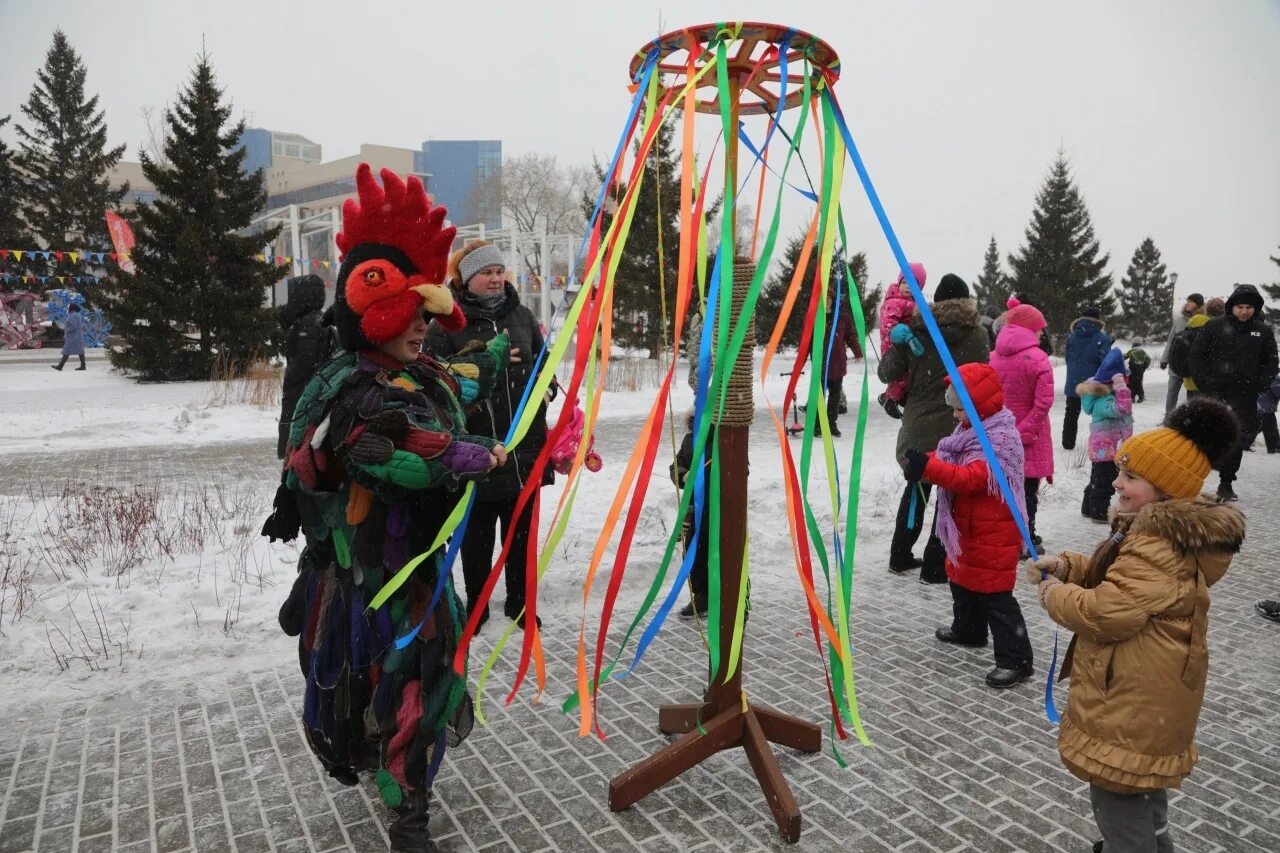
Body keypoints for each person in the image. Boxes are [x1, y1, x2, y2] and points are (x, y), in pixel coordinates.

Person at [262, 164, 510, 852]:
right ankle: (402, 797)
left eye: (427, 317)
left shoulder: (417, 369)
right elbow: (405, 456)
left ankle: (406, 796)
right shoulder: (357, 391)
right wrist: (478, 455)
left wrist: (501, 353)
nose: (423, 328)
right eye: (413, 316)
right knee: (393, 684)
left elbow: (461, 376)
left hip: (416, 573)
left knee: (419, 683)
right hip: (375, 578)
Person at [1025, 397, 1244, 853]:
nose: (1117, 481)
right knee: (1140, 786)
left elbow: (1108, 612)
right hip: (1149, 695)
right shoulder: (1155, 533)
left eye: (1130, 476)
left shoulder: (1158, 545)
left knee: (1116, 795)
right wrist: (1067, 567)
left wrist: (1055, 595)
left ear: (1165, 489)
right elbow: (1120, 581)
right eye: (1120, 471)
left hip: (1133, 698)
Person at [426, 240, 555, 629]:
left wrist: (547, 387)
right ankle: (477, 605)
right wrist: (484, 365)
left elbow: (544, 362)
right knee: (476, 540)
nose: (496, 279)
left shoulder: (522, 316)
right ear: (467, 278)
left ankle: (520, 603)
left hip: (523, 451)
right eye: (487, 273)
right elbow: (433, 380)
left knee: (521, 538)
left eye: (500, 271)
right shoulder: (446, 325)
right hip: (477, 451)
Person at [899, 363, 1034, 688]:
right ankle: (969, 630)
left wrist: (930, 468)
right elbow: (950, 458)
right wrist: (923, 461)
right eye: (955, 408)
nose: (956, 415)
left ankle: (1016, 659)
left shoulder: (1000, 438)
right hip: (968, 527)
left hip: (995, 530)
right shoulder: (969, 432)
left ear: (979, 406)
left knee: (995, 595)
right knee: (962, 583)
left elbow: (972, 478)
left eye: (961, 409)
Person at [879, 273, 989, 581]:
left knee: (917, 487)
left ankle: (900, 555)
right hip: (957, 430)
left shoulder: (917, 330)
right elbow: (984, 378)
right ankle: (935, 565)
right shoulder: (978, 336)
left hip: (917, 428)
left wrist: (896, 342)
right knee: (949, 496)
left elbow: (886, 372)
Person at [1188, 284, 1279, 502]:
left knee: (1236, 438)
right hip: (1214, 393)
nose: (1244, 311)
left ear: (1255, 309)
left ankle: (1226, 482)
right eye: (1240, 307)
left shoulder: (1263, 331)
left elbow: (1271, 361)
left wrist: (1261, 383)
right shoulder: (1214, 327)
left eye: (1249, 307)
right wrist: (1204, 382)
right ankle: (1191, 479)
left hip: (1245, 395)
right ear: (1232, 307)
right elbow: (1196, 356)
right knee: (1205, 436)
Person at [989, 300, 1053, 553]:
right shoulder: (1038, 358)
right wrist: (1024, 430)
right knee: (1027, 491)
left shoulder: (993, 357)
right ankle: (1026, 538)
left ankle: (1003, 537)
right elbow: (1043, 401)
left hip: (999, 435)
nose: (1042, 333)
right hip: (1031, 437)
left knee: (1003, 490)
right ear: (1029, 328)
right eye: (1039, 328)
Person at [276, 275, 333, 459]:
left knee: (296, 433)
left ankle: (293, 461)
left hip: (302, 390)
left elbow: (305, 360)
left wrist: (290, 378)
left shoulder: (308, 324)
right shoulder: (316, 319)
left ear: (302, 296)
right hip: (309, 388)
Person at [1078, 348, 1133, 522]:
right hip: (1106, 449)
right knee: (1105, 482)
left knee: (1097, 479)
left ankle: (1088, 507)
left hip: (1106, 448)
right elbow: (1123, 409)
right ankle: (1099, 512)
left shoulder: (1106, 398)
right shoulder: (1105, 401)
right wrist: (1122, 389)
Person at [876, 262, 926, 419]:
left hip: (907, 344)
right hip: (894, 345)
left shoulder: (914, 303)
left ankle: (894, 396)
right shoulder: (895, 301)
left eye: (913, 284)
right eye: (905, 282)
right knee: (901, 375)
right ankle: (890, 398)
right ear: (899, 283)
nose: (908, 287)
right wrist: (898, 333)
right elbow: (887, 323)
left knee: (907, 374)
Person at [1062, 305, 1112, 450]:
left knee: (1071, 411)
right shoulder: (1102, 338)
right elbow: (1106, 361)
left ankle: (1068, 442)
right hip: (1094, 382)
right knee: (1099, 413)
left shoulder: (1072, 337)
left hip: (1073, 382)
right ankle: (1100, 443)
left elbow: (1068, 358)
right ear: (1098, 320)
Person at [817, 284, 863, 437]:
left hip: (837, 362)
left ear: (833, 299)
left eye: (829, 298)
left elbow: (850, 335)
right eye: (824, 298)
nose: (827, 301)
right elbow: (807, 339)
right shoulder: (816, 316)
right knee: (819, 395)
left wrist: (857, 352)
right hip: (820, 362)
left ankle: (831, 423)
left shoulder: (842, 316)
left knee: (835, 395)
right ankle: (817, 425)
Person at [1159, 293, 1204, 415]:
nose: (1188, 303)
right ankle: (1169, 417)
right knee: (1172, 393)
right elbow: (1171, 341)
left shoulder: (1204, 321)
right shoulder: (1179, 320)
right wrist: (1164, 359)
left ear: (1199, 305)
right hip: (1177, 362)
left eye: (1192, 301)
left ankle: (1191, 418)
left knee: (1193, 396)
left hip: (1193, 365)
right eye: (1188, 300)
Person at [1243, 371, 1280, 453]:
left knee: (1256, 427)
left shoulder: (1263, 375)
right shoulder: (1273, 377)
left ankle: (1244, 444)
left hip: (1260, 406)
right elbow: (1277, 390)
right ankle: (1274, 448)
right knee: (1269, 428)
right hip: (1266, 408)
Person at [51, 302, 86, 371]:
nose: (67, 309)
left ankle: (60, 366)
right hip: (78, 336)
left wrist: (67, 330)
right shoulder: (78, 314)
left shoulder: (72, 315)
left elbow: (74, 326)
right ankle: (83, 366)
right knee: (80, 351)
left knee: (66, 351)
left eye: (68, 307)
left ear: (71, 308)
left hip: (73, 337)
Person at [1125, 339, 1150, 403]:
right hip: (1140, 369)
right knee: (1139, 383)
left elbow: (1125, 356)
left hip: (1132, 369)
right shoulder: (1143, 352)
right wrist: (1144, 367)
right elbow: (1148, 360)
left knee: (1131, 383)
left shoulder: (1131, 351)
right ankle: (1141, 396)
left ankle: (1132, 397)